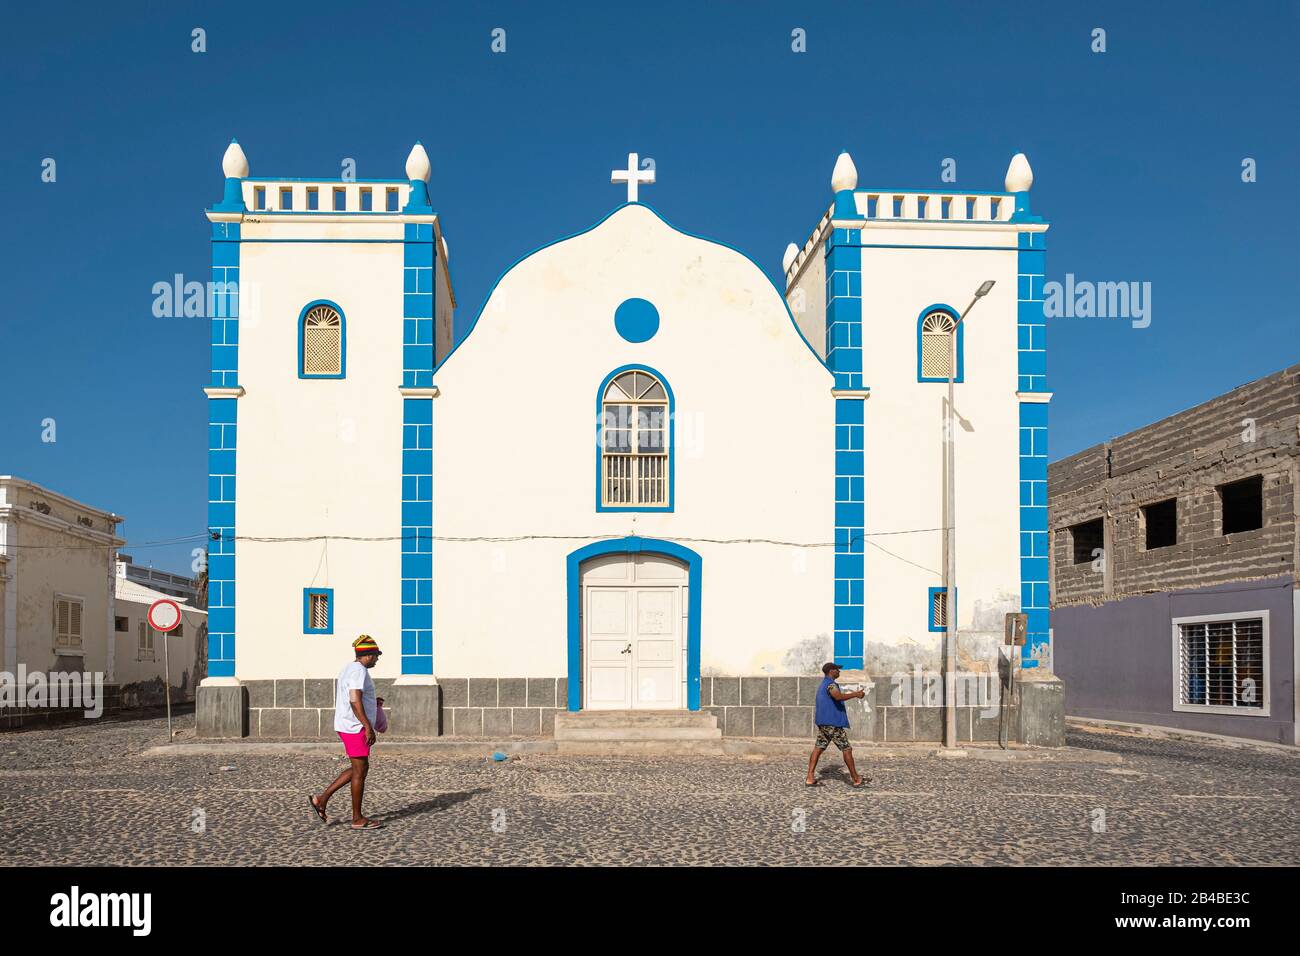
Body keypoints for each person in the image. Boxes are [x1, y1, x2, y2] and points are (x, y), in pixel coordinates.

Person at [309, 635, 384, 829]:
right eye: (376, 655)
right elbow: (354, 699)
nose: (377, 659)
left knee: (360, 768)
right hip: (355, 727)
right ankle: (357, 819)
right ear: (368, 655)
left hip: (348, 725)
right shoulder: (359, 671)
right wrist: (367, 726)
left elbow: (356, 697)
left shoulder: (349, 668)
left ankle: (322, 800)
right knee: (360, 772)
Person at [806, 662, 867, 788]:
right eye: (837, 669)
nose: (839, 672)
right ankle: (856, 779)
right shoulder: (831, 685)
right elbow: (838, 697)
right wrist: (856, 694)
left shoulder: (823, 684)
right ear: (831, 671)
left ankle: (810, 778)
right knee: (847, 749)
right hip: (832, 723)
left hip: (824, 723)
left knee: (818, 748)